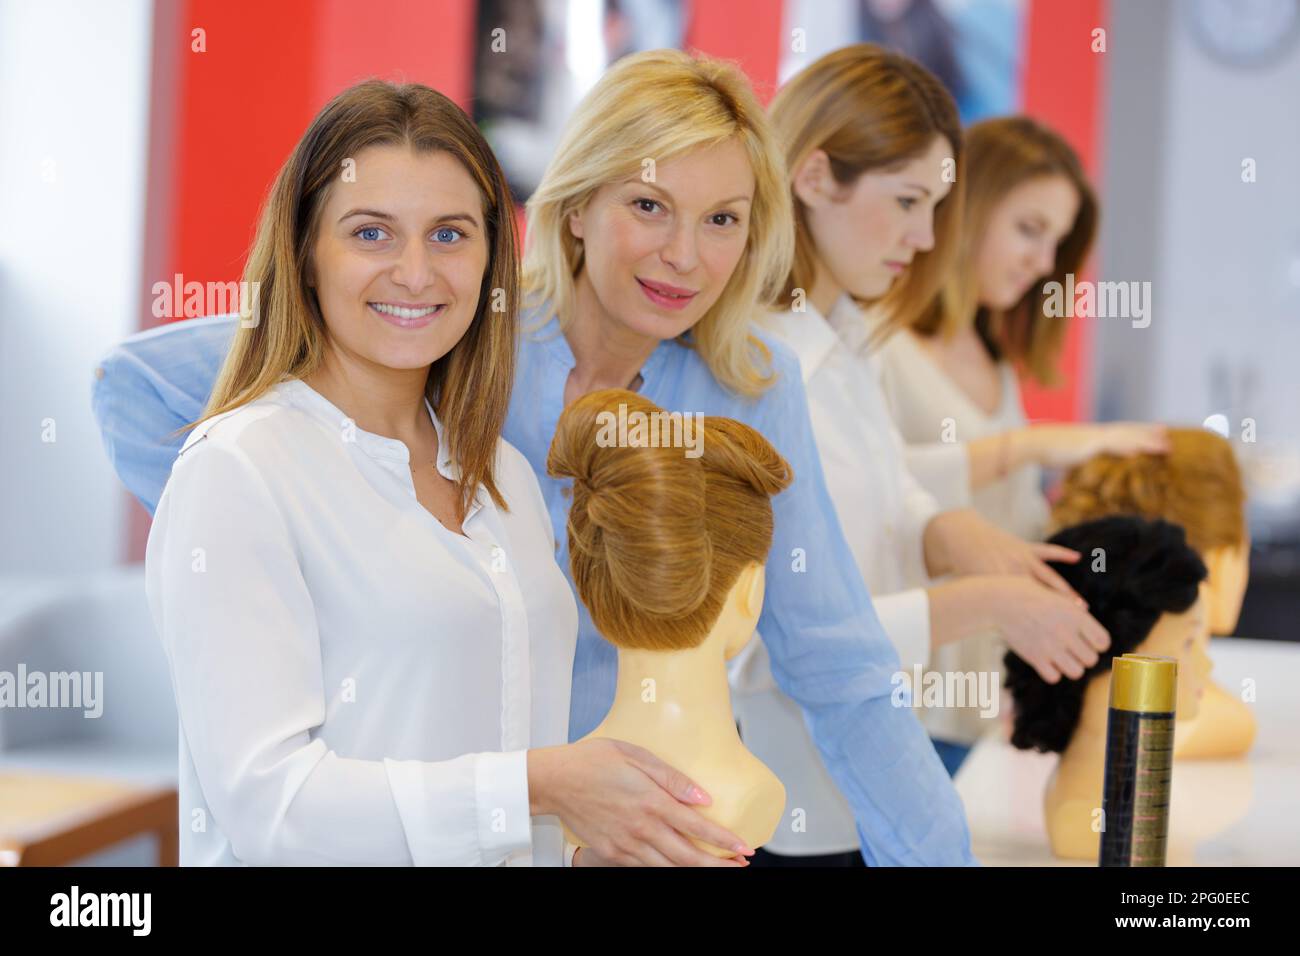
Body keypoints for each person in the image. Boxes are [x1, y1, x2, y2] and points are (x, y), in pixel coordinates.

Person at [94, 51, 974, 865]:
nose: (684, 254)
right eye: (648, 205)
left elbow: (836, 656)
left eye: (722, 221)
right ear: (578, 206)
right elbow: (136, 385)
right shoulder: (463, 338)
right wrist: (329, 559)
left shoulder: (746, 385)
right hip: (474, 812)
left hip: (645, 815)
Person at [115, 79, 755, 868]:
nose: (417, 273)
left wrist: (600, 852)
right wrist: (540, 786)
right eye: (372, 233)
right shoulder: (239, 473)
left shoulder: (506, 481)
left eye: (450, 235)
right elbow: (272, 812)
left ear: (492, 262)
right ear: (305, 254)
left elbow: (488, 786)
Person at [732, 44, 1110, 864]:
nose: (927, 237)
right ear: (815, 176)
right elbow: (761, 647)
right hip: (779, 815)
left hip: (859, 799)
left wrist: (953, 535)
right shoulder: (749, 369)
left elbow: (890, 494)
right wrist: (984, 603)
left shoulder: (850, 339)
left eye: (936, 205)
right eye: (907, 202)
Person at [868, 115, 1168, 762]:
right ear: (966, 209)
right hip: (899, 699)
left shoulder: (993, 361)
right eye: (1029, 229)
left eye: (1057, 242)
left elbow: (1013, 525)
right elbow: (875, 488)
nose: (1043, 262)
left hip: (976, 708)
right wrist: (1032, 445)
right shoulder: (879, 344)